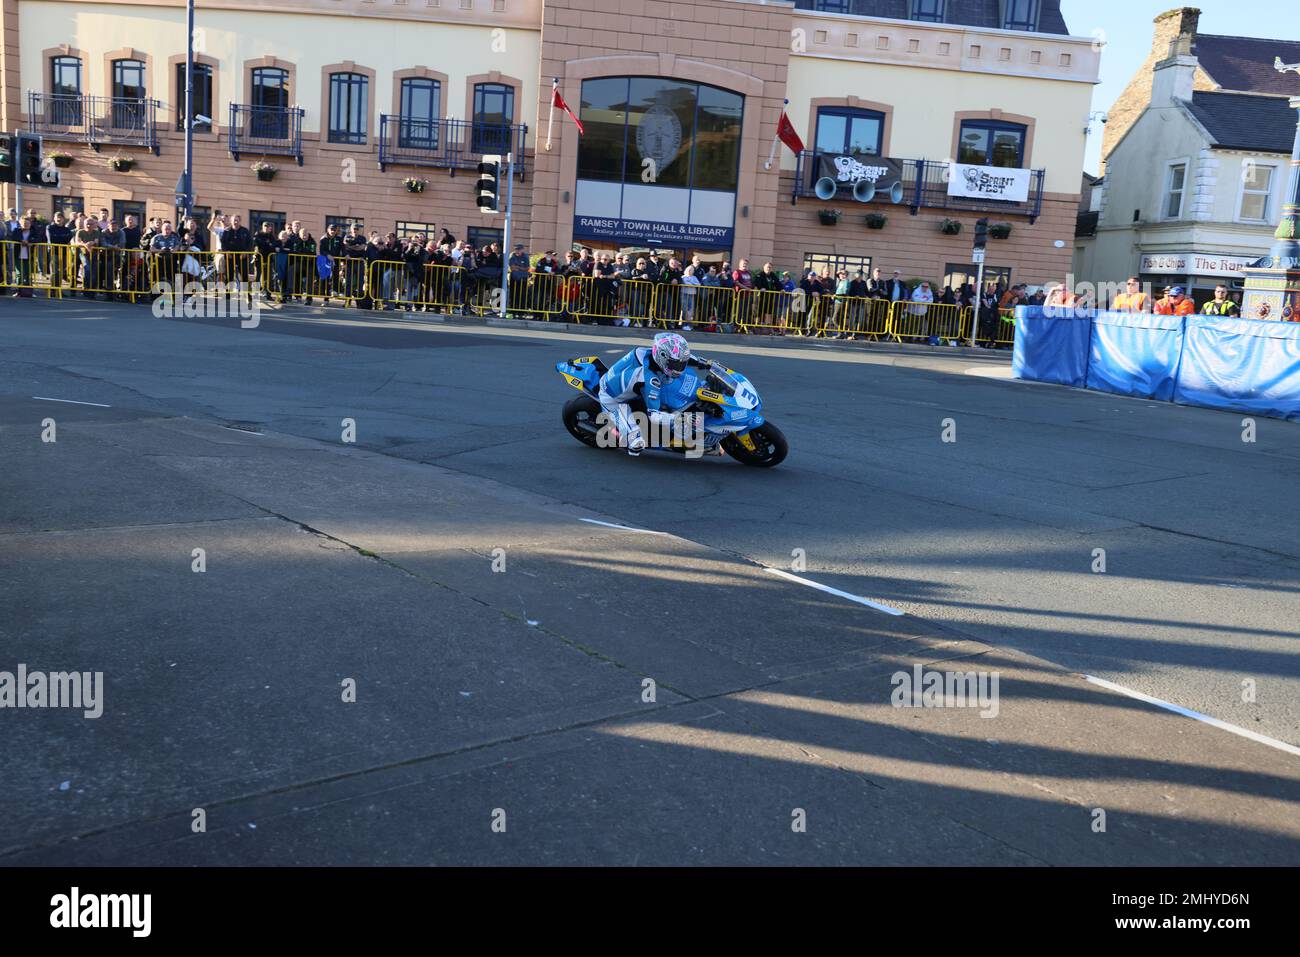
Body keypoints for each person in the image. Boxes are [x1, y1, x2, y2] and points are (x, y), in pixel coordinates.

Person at [597, 332, 712, 456]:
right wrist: (681, 418)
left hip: (624, 383)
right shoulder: (651, 380)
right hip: (612, 399)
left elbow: (680, 357)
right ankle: (623, 436)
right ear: (662, 358)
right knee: (636, 443)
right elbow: (654, 416)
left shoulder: (649, 352)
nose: (679, 368)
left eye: (681, 364)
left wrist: (703, 362)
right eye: (675, 365)